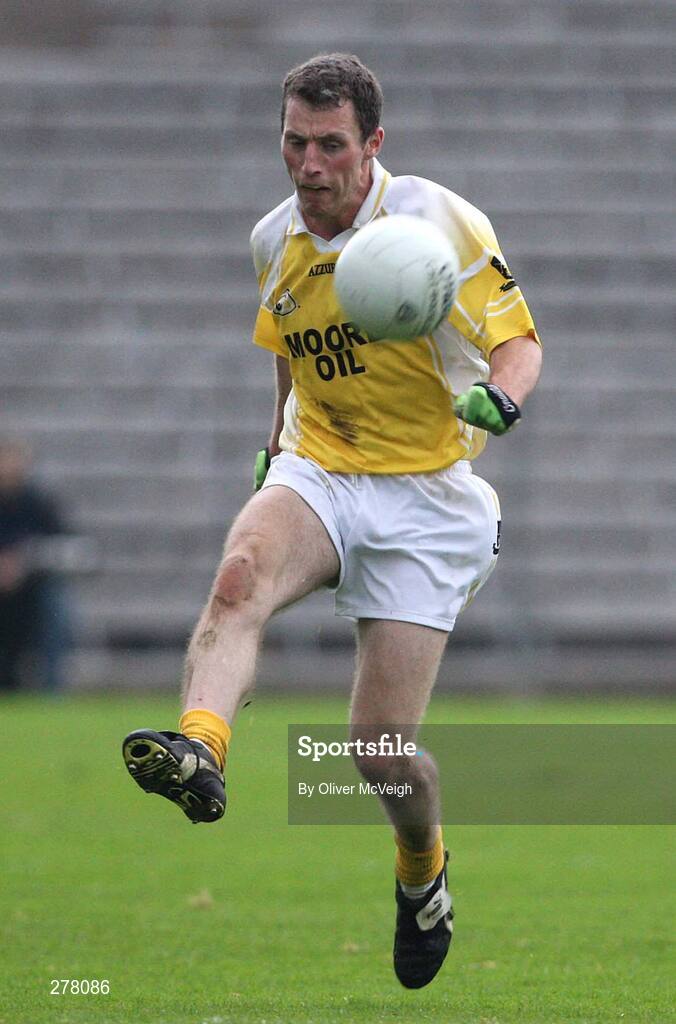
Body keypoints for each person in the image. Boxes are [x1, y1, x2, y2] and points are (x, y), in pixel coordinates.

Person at [123, 53, 542, 989]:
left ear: (372, 145)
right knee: (241, 575)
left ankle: (421, 870)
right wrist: (275, 449)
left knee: (380, 754)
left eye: (330, 146)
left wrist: (500, 403)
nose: (308, 165)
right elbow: (288, 353)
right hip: (324, 468)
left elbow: (518, 340)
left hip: (428, 499)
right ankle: (201, 748)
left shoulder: (436, 222)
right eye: (294, 141)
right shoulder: (274, 238)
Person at [0, 438, 72, 692]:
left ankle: (52, 687)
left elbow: (65, 546)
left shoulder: (39, 503)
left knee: (57, 605)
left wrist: (25, 562)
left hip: (32, 590)